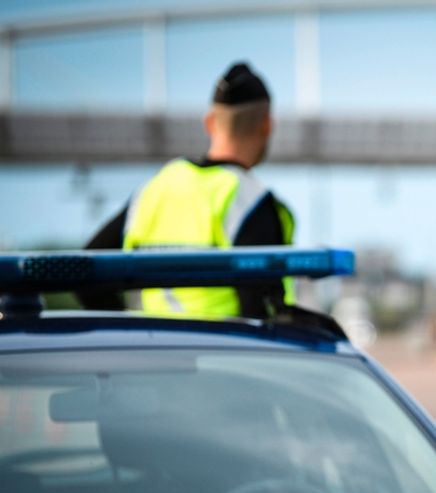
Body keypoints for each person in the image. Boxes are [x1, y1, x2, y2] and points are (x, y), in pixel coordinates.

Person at [79, 62, 294, 318]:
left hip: (155, 352)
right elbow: (260, 313)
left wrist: (128, 331)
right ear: (267, 125)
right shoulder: (250, 201)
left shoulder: (155, 189)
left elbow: (86, 274)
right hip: (223, 354)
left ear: (210, 122)